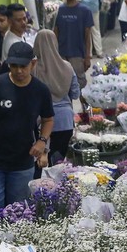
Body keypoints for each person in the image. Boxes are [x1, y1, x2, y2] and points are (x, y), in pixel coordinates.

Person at [0, 42, 54, 216]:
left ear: (33, 64)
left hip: (23, 165)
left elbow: (48, 119)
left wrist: (42, 142)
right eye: (14, 66)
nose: (18, 71)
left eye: (23, 66)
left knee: (17, 215)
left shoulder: (40, 90)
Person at [32, 30, 81, 164]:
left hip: (41, 123)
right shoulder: (67, 66)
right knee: (58, 162)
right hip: (65, 120)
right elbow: (76, 93)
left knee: (40, 163)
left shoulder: (33, 68)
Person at [53, 0, 94, 88]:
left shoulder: (85, 11)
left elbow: (87, 36)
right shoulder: (58, 11)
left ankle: (85, 105)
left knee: (80, 84)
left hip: (77, 54)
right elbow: (55, 33)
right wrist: (54, 54)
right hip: (62, 54)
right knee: (63, 84)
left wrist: (87, 56)